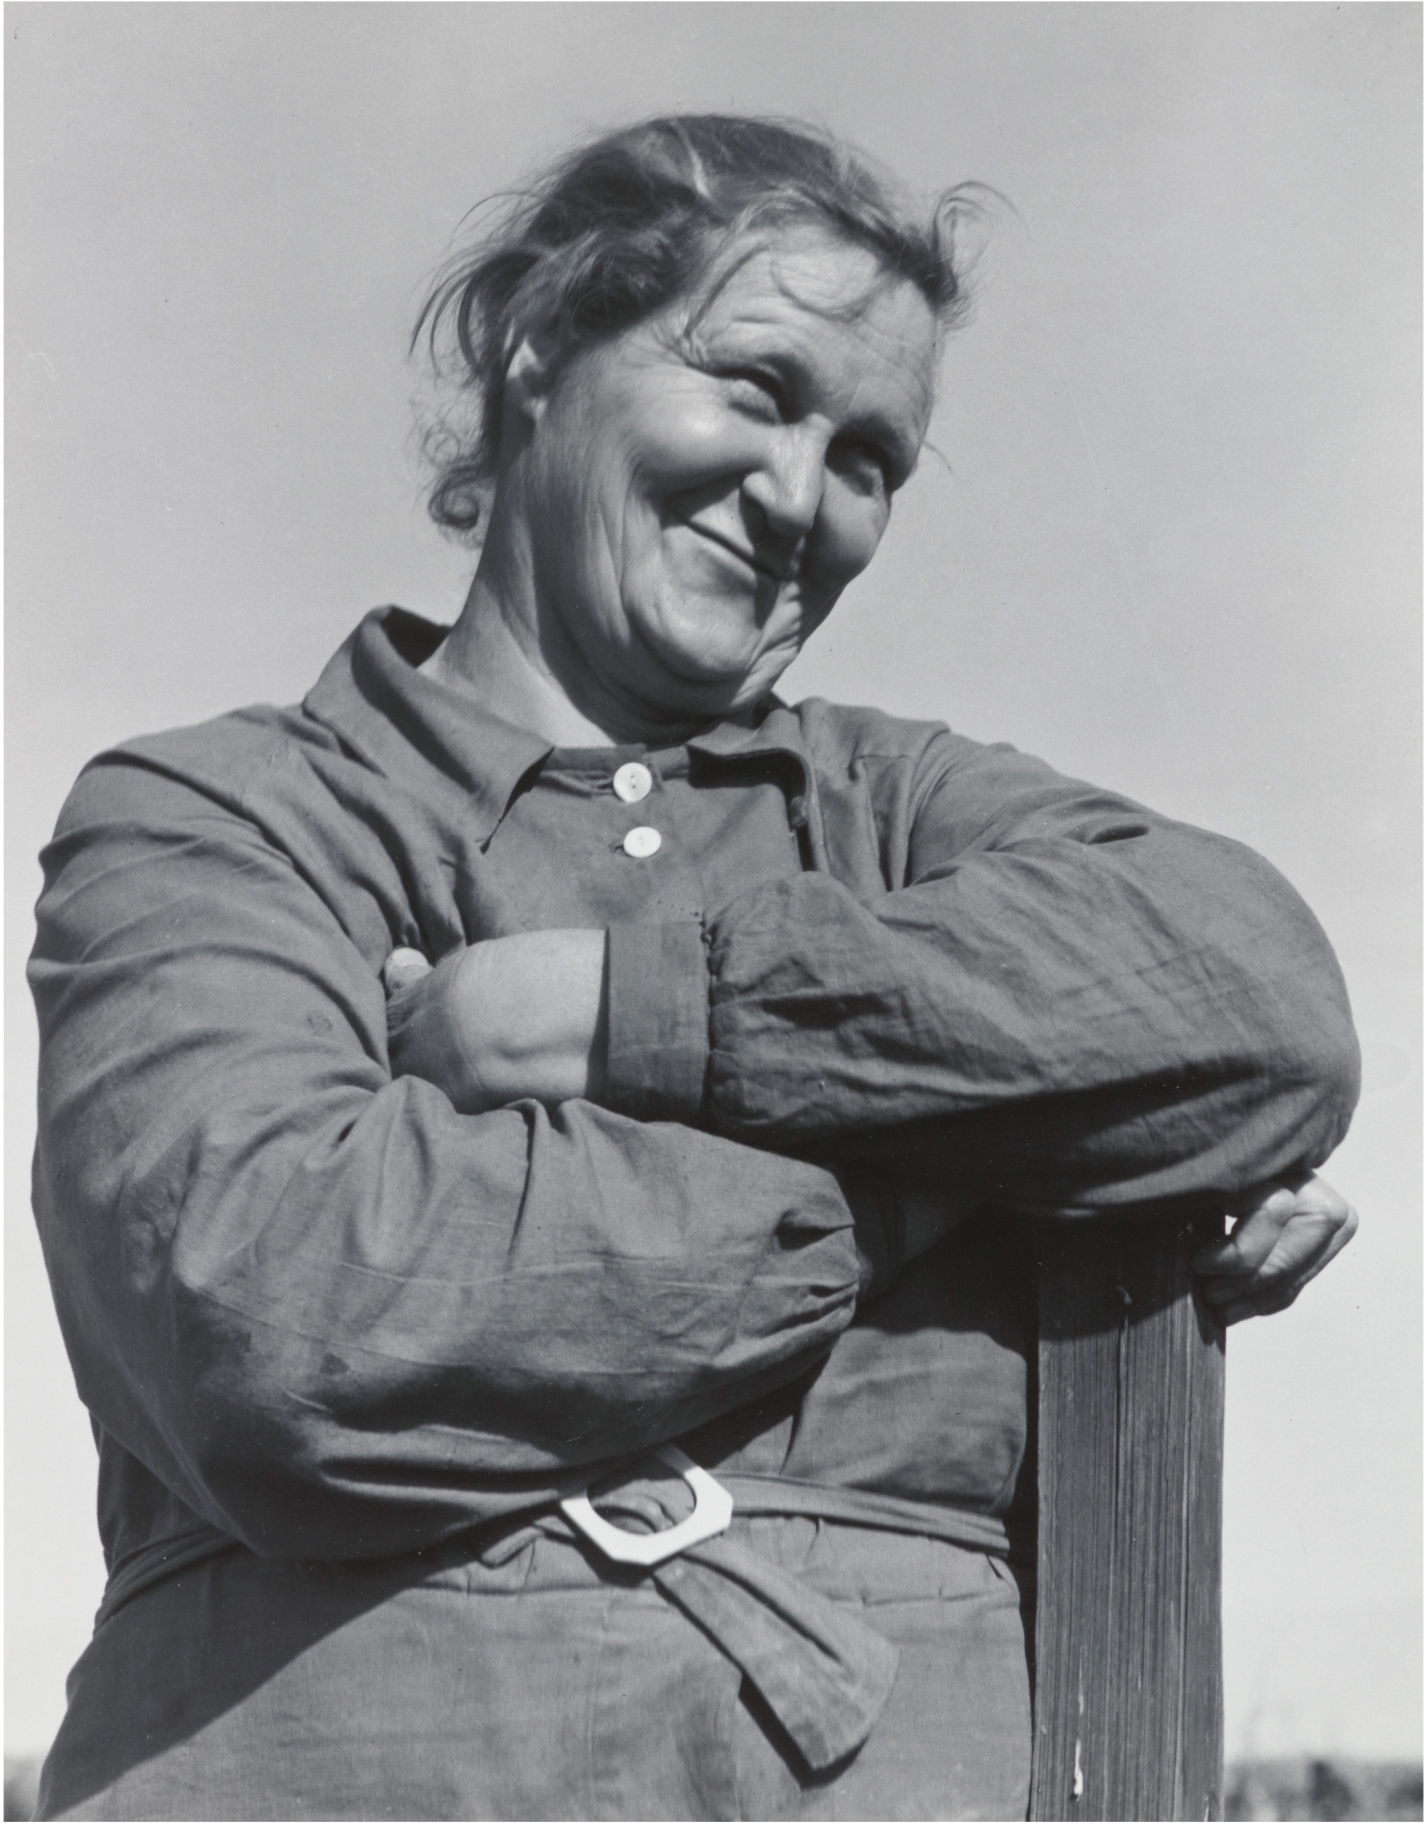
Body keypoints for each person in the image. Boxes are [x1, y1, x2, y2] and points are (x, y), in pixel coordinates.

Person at [28, 115, 1359, 1821]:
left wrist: (610, 1014)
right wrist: (949, 1150)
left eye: (870, 455)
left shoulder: (909, 806)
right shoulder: (223, 814)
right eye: (755, 386)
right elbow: (280, 1323)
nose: (803, 495)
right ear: (536, 347)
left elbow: (1257, 1002)